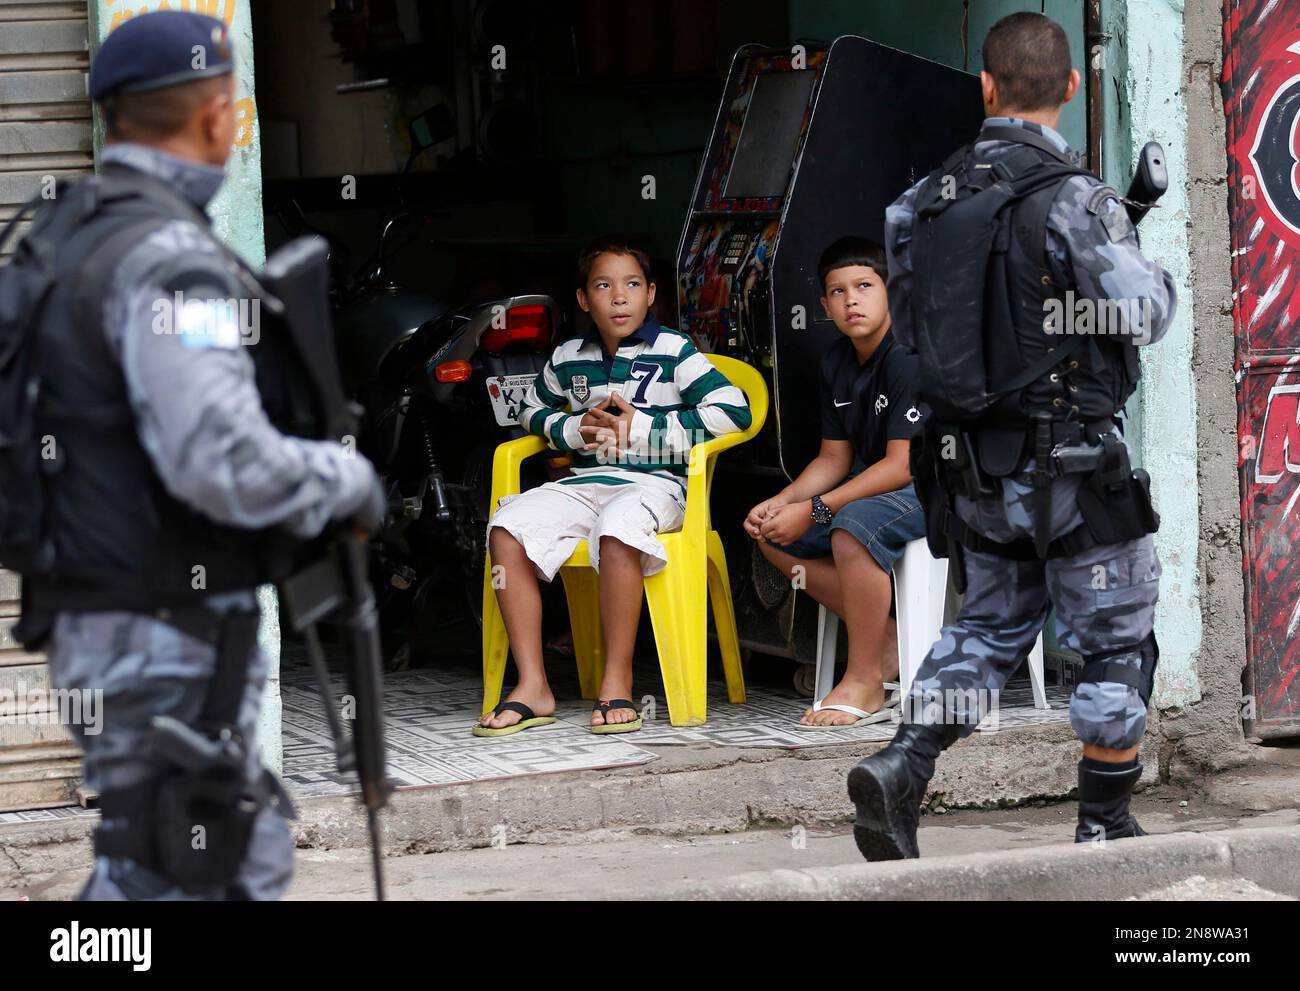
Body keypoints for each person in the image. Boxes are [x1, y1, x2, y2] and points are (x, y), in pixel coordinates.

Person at [18, 11, 384, 899]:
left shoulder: (59, 238)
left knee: (206, 860)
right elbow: (221, 459)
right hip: (162, 628)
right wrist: (345, 477)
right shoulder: (173, 262)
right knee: (178, 866)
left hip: (101, 612)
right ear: (221, 114)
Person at [848, 11, 1176, 859]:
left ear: (986, 88)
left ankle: (904, 762)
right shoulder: (1075, 198)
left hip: (974, 470)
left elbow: (914, 327)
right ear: (1070, 88)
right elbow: (1142, 312)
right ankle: (1103, 820)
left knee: (986, 631)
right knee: (1115, 642)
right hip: (1074, 470)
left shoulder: (919, 203)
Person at [477, 236, 751, 736]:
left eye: (631, 285)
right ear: (584, 300)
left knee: (619, 527)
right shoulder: (567, 357)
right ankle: (534, 684)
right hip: (586, 484)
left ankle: (617, 679)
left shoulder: (674, 351)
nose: (618, 297)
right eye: (603, 286)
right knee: (506, 528)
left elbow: (733, 412)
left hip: (656, 488)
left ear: (651, 294)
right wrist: (574, 428)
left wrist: (641, 428)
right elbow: (529, 411)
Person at [744, 237, 927, 727]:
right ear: (825, 305)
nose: (852, 300)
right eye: (838, 291)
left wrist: (819, 508)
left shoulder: (907, 356)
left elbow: (902, 466)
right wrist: (783, 502)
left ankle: (865, 680)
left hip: (942, 488)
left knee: (850, 524)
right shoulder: (837, 362)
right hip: (879, 487)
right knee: (773, 534)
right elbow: (833, 457)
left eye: (865, 286)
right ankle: (887, 640)